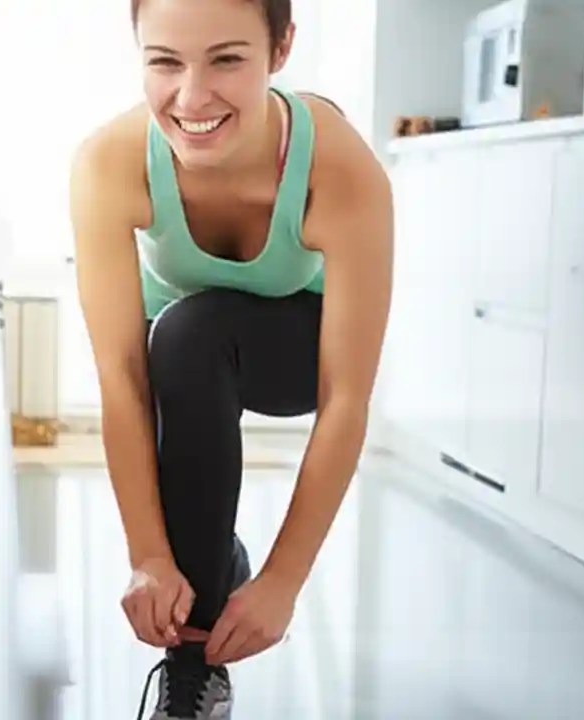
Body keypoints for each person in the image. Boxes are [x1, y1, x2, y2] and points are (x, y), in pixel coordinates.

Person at [67, 0, 393, 717]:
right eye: (165, 62)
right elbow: (121, 380)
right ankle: (193, 667)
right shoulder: (108, 163)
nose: (192, 97)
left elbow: (346, 398)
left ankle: (224, 592)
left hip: (301, 349)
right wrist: (148, 557)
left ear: (281, 49)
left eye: (226, 60)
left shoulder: (339, 166)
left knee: (193, 331)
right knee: (183, 338)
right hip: (183, 353)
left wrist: (282, 582)